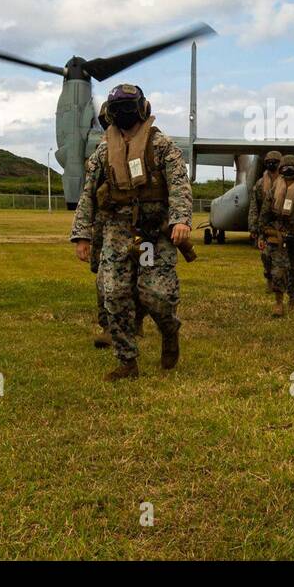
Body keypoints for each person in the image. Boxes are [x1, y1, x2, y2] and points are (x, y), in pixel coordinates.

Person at [70, 84, 193, 380]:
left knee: (155, 295)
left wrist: (181, 220)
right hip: (116, 232)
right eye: (118, 108)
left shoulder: (161, 144)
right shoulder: (104, 150)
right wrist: (82, 234)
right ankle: (128, 361)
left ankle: (169, 331)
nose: (124, 114)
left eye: (129, 107)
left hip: (151, 235)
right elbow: (88, 193)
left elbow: (178, 183)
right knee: (113, 294)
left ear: (142, 109)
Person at [257, 154, 294, 316]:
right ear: (281, 169)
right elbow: (265, 214)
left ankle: (293, 299)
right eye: (285, 167)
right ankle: (278, 302)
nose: (289, 170)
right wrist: (262, 235)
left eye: (293, 167)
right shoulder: (274, 189)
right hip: (279, 235)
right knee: (279, 270)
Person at [247, 150, 284, 285]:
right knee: (266, 255)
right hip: (265, 224)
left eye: (275, 162)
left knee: (282, 258)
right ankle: (269, 278)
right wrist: (253, 227)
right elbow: (254, 207)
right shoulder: (260, 183)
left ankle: (280, 283)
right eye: (268, 162)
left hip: (284, 224)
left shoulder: (288, 181)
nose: (271, 164)